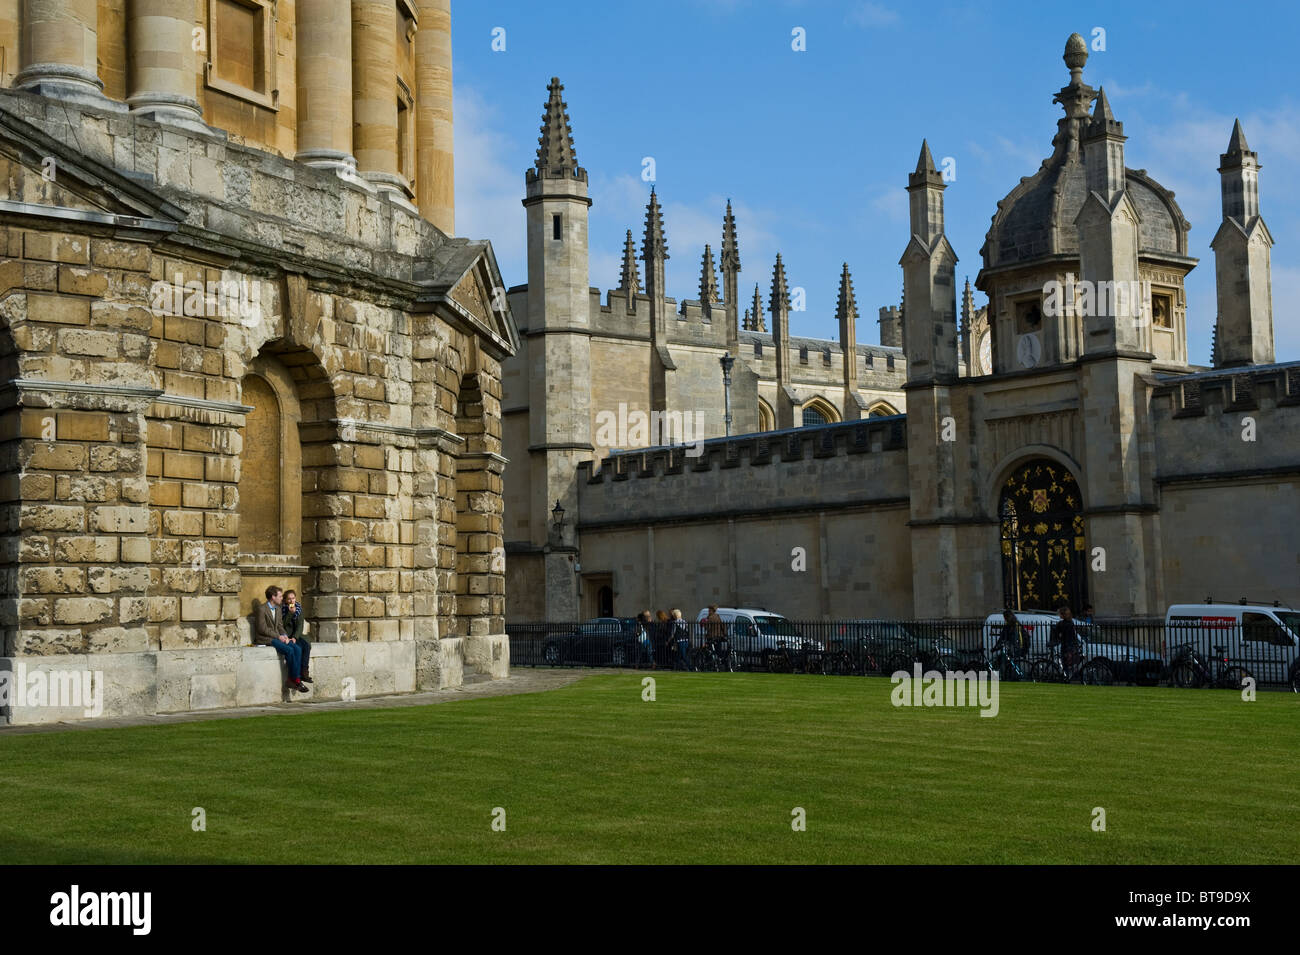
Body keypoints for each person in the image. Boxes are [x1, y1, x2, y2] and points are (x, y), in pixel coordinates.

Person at [255, 585, 308, 692]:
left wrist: (285, 636)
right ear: (273, 597)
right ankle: (296, 680)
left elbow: (280, 626)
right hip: (266, 638)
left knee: (297, 648)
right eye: (279, 596)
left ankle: (291, 679)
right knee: (289, 650)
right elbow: (262, 628)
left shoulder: (278, 609)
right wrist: (278, 636)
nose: (281, 598)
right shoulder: (262, 609)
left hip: (278, 637)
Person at [283, 589, 312, 684]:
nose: (291, 601)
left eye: (293, 598)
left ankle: (304, 672)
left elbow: (300, 625)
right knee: (297, 648)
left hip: (296, 636)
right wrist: (290, 613)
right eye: (289, 599)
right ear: (285, 600)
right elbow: (282, 624)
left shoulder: (299, 608)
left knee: (306, 645)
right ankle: (297, 675)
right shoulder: (282, 609)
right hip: (286, 636)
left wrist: (295, 637)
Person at [1049, 605, 1081, 673]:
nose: (1059, 615)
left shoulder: (1062, 624)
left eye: (1060, 613)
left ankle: (1066, 677)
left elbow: (1059, 634)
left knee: (1066, 664)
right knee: (1070, 664)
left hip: (1067, 646)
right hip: (1072, 645)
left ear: (1063, 614)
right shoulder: (1070, 622)